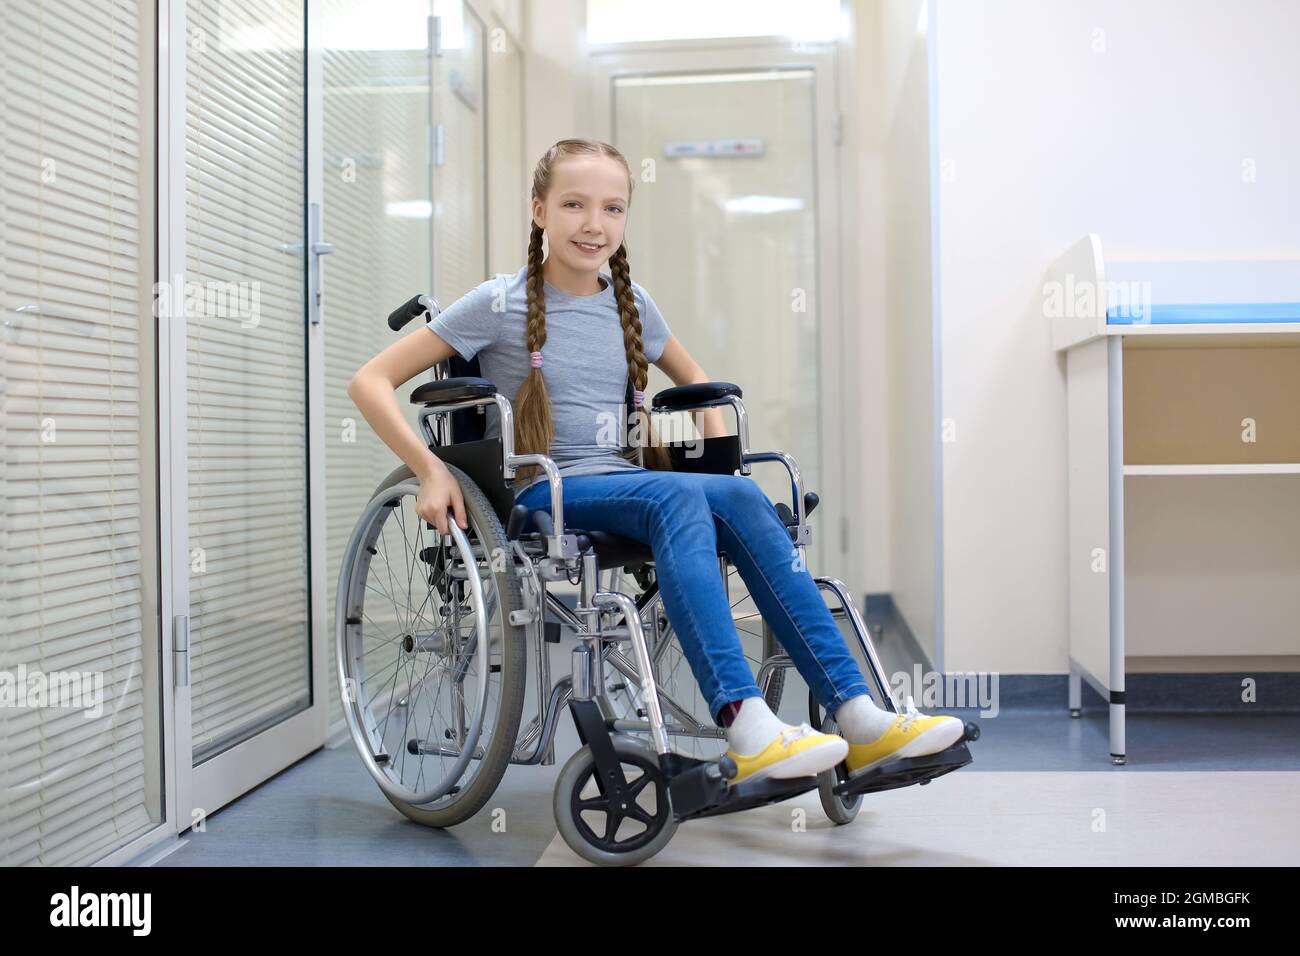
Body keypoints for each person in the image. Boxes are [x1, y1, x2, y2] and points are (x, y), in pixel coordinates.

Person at [347, 138, 963, 785]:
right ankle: (746, 723)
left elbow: (700, 386)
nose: (594, 223)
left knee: (741, 497)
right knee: (681, 497)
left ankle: (859, 716)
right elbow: (370, 381)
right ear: (539, 210)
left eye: (613, 208)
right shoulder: (498, 303)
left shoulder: (631, 302)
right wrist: (430, 468)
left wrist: (722, 467)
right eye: (575, 204)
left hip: (627, 483)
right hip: (539, 490)